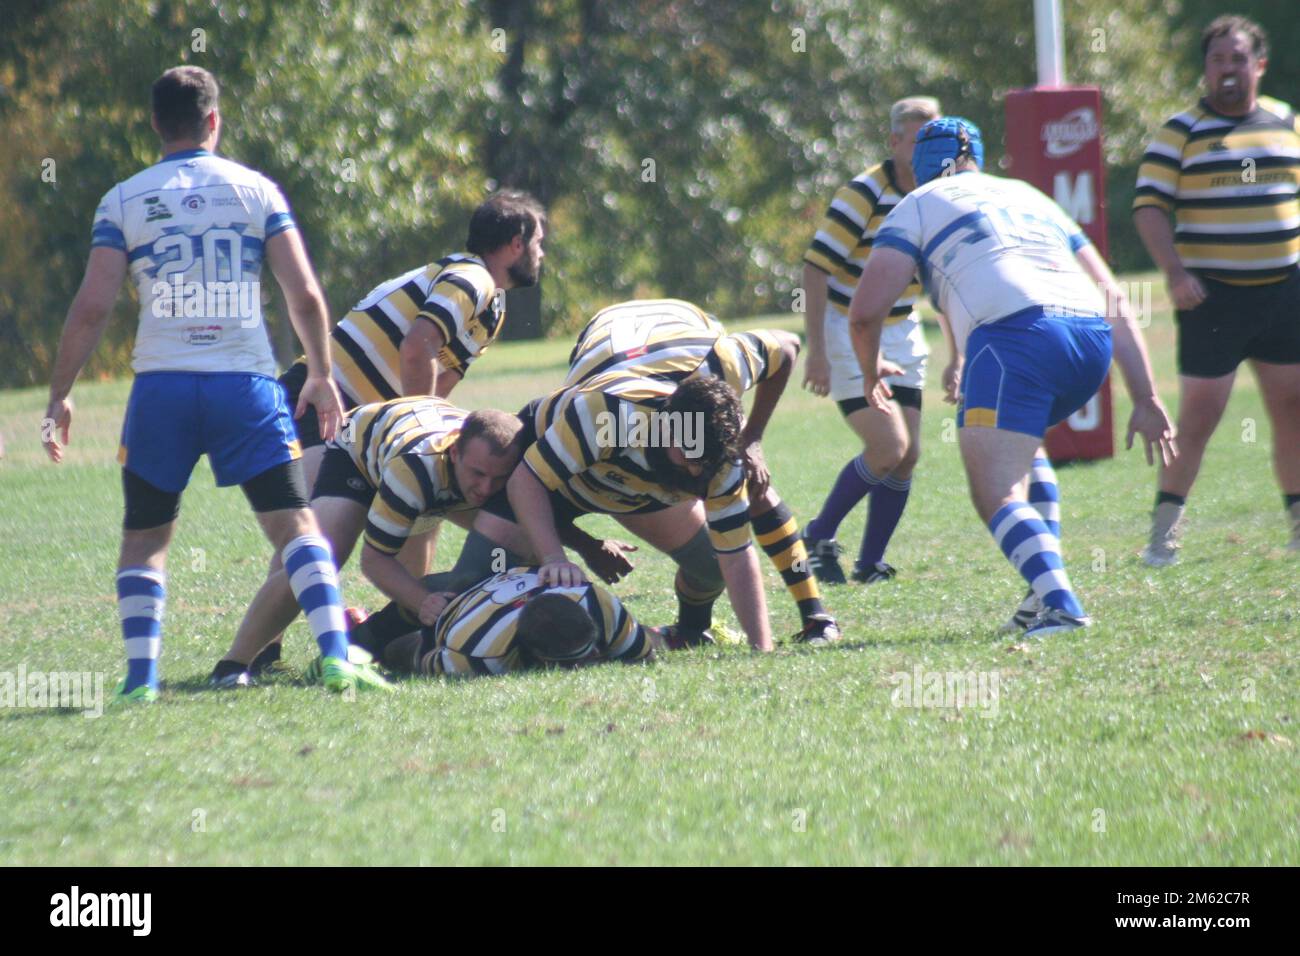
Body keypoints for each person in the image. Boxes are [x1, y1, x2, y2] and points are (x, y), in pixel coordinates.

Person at [40, 66, 389, 699]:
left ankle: (141, 681)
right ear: (213, 120)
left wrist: (59, 394)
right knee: (296, 531)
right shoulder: (256, 191)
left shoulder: (123, 199)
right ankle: (337, 657)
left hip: (162, 391)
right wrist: (321, 374)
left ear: (155, 124)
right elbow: (304, 293)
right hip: (244, 386)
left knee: (145, 538)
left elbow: (92, 306)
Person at [849, 117, 1177, 638]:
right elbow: (1113, 296)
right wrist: (1146, 394)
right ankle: (1039, 601)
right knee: (1026, 452)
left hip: (1014, 341)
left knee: (997, 492)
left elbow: (865, 313)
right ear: (977, 158)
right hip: (1090, 340)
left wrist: (869, 373)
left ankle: (1064, 607)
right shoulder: (1028, 195)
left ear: (918, 167)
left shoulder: (914, 203)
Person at [249, 189, 546, 673]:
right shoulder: (472, 279)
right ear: (515, 241)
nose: (541, 253)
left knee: (417, 512)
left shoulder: (491, 309)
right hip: (323, 400)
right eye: (538, 242)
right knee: (318, 538)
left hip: (367, 418)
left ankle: (393, 634)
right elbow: (417, 348)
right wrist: (420, 430)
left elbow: (438, 381)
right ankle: (259, 653)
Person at [560, 298, 840, 643]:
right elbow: (531, 484)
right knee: (707, 550)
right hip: (611, 347)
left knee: (747, 480)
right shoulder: (604, 416)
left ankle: (815, 615)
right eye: (689, 459)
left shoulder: (722, 364)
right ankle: (692, 630)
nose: (697, 477)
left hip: (683, 328)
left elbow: (787, 345)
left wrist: (752, 437)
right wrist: (584, 544)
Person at [1133, 14, 1300, 564]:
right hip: (1212, 298)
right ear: (1206, 68)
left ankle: (1298, 523)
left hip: (1284, 294)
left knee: (1292, 408)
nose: (1228, 69)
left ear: (1260, 64)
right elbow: (1150, 208)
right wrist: (1176, 274)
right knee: (1201, 415)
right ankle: (1164, 533)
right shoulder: (1180, 131)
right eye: (1217, 60)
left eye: (1238, 59)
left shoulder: (1285, 122)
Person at [209, 398, 524, 685]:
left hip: (426, 452)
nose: (486, 487)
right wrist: (425, 602)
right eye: (478, 474)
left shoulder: (510, 469)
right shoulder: (415, 470)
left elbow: (527, 539)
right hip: (360, 450)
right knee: (320, 556)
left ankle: (374, 640)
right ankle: (234, 663)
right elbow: (374, 561)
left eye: (498, 479)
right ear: (455, 453)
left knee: (511, 542)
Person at [801, 96, 958, 585]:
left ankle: (870, 564)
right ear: (894, 143)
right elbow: (815, 268)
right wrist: (818, 353)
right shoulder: (864, 193)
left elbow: (943, 279)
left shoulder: (941, 193)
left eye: (937, 142)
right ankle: (817, 535)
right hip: (849, 325)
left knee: (908, 454)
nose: (929, 152)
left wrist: (957, 355)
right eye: (917, 141)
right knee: (889, 447)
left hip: (903, 327)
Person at [354, 566, 660, 677]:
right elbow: (419, 655)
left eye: (592, 653)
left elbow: (645, 656)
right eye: (570, 666)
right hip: (455, 598)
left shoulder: (603, 607)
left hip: (510, 575)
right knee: (384, 651)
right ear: (535, 657)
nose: (591, 664)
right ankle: (361, 626)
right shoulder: (478, 655)